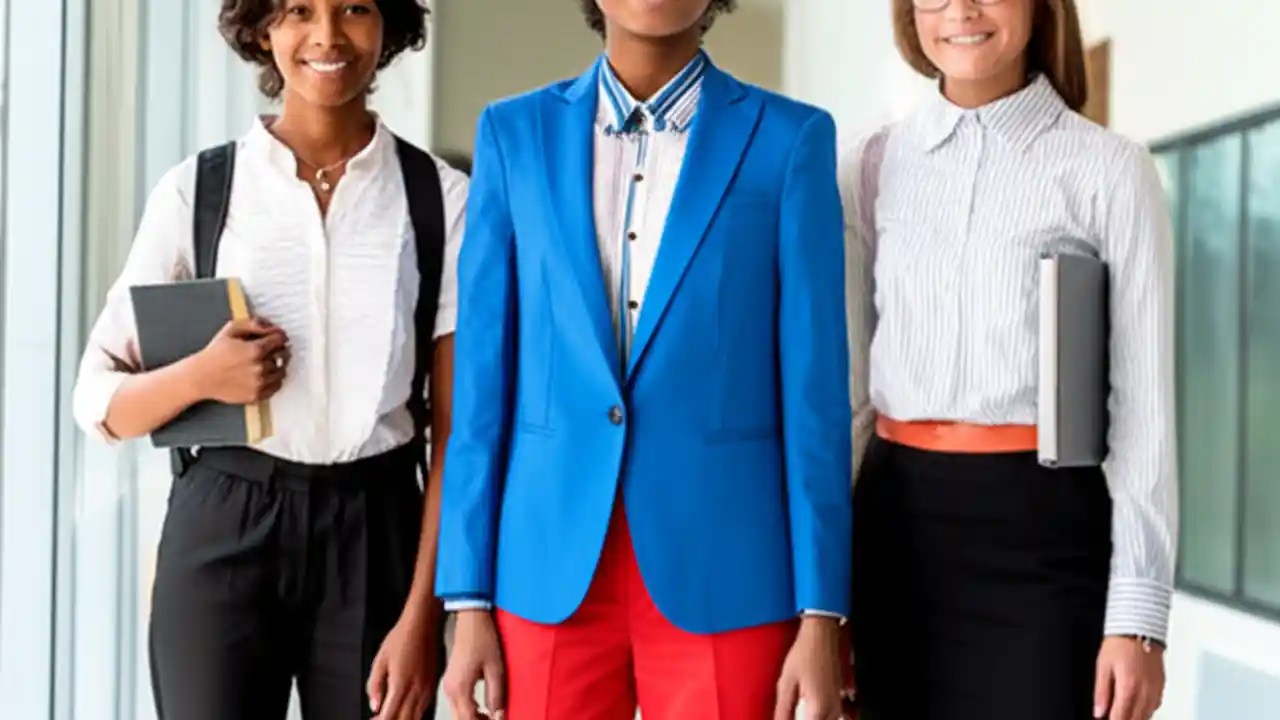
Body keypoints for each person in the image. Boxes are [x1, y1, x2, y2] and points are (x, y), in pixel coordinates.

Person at [435, 1, 853, 718]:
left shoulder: (791, 141)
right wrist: (466, 596)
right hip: (546, 567)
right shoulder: (513, 135)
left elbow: (815, 399)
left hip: (730, 569)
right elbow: (480, 394)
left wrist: (823, 614)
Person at [70, 1, 465, 718]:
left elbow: (457, 438)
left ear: (390, 25)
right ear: (261, 28)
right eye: (297, 10)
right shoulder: (201, 192)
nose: (327, 35)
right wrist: (201, 377)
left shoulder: (441, 200)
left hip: (377, 530)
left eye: (355, 8)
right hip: (224, 516)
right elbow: (97, 402)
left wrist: (423, 616)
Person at [842, 1, 1177, 718]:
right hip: (893, 527)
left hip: (1045, 536)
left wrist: (1139, 618)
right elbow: (850, 396)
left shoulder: (1110, 170)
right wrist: (822, 600)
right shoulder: (871, 165)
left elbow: (1145, 410)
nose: (960, 9)